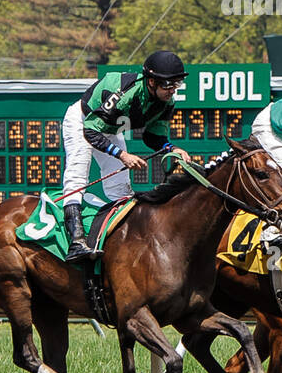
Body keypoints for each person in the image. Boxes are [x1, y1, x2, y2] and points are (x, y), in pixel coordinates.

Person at [61, 50, 193, 260]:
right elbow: (91, 130)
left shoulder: (166, 102)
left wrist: (171, 148)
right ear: (151, 81)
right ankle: (76, 242)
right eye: (168, 85)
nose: (172, 90)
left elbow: (152, 136)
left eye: (176, 84)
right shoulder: (125, 92)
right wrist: (122, 155)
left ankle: (127, 240)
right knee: (77, 177)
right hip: (83, 121)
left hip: (110, 129)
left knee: (121, 189)